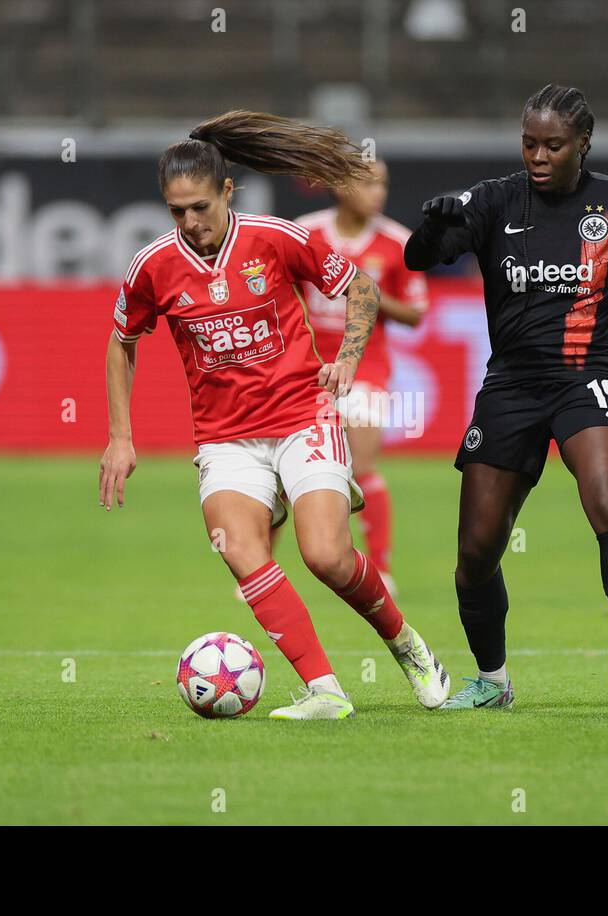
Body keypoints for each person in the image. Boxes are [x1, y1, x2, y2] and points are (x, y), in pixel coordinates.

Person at [404, 84, 608, 713]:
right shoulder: (493, 200)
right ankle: (493, 680)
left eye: (553, 145)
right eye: (529, 143)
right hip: (510, 386)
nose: (538, 155)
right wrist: (434, 224)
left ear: (583, 145)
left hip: (585, 376)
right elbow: (418, 258)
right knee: (476, 551)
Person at [99, 110, 450, 720]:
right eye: (176, 211)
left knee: (325, 557)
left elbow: (360, 288)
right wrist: (119, 437)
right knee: (240, 550)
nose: (189, 223)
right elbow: (122, 341)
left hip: (301, 417)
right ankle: (326, 691)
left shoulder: (275, 238)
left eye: (200, 208)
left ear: (227, 192)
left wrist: (346, 357)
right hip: (225, 439)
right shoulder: (154, 266)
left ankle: (408, 647)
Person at [296, 158, 429, 596]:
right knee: (289, 467)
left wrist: (364, 291)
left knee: (362, 465)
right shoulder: (307, 232)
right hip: (308, 369)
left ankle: (382, 567)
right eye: (368, 184)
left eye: (383, 185)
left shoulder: (397, 242)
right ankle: (262, 564)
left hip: (366, 371)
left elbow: (414, 313)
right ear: (339, 187)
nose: (379, 193)